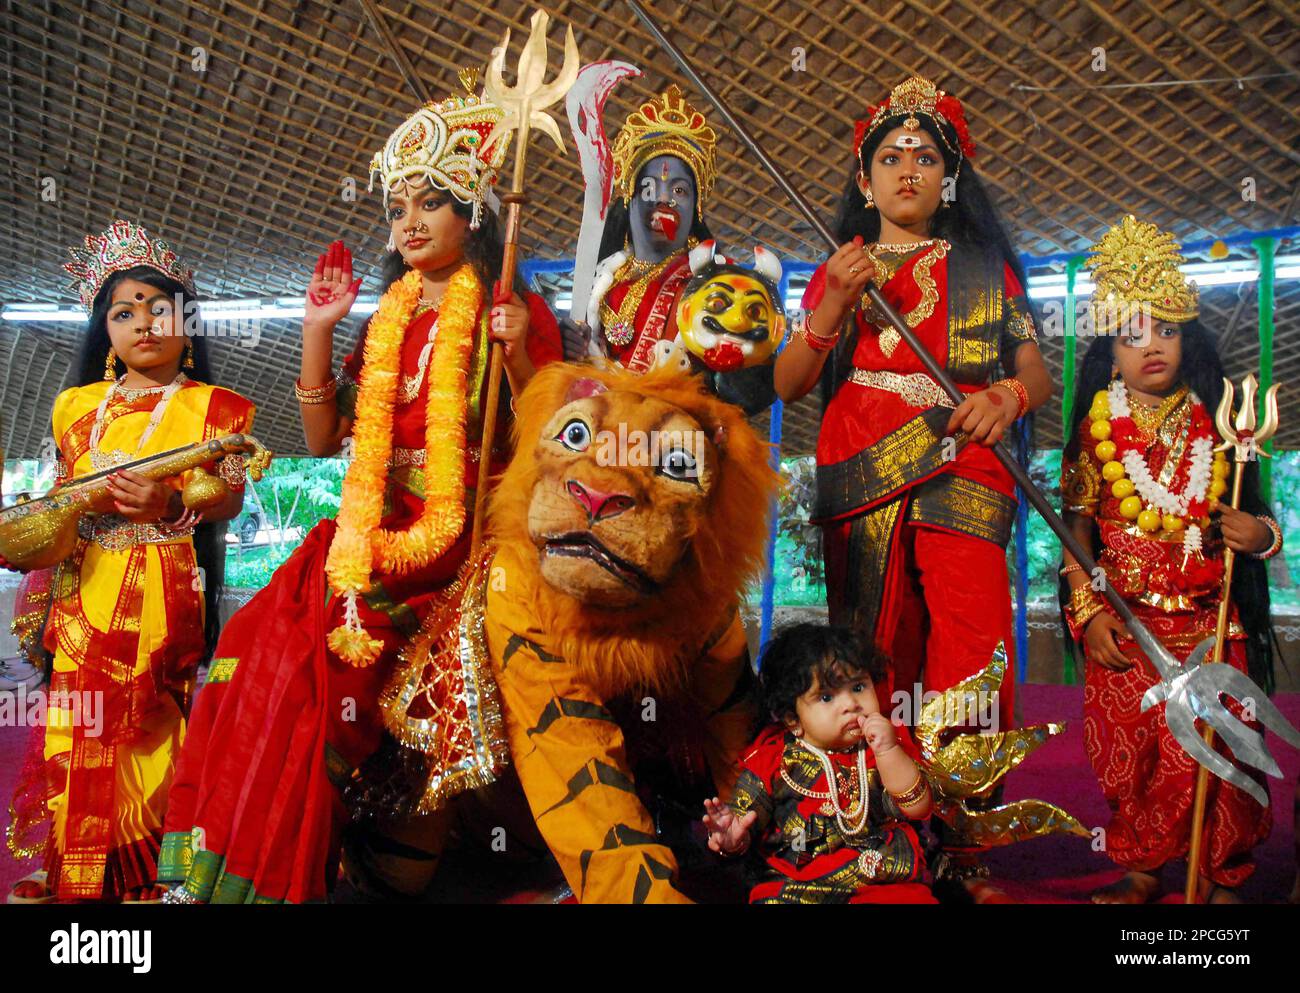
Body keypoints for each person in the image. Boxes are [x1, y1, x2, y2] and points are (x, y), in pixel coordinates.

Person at [156, 83, 562, 904]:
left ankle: (279, 870)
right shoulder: (389, 320)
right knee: (252, 648)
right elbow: (318, 442)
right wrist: (316, 328)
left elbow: (551, 438)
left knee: (322, 676)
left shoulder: (516, 311)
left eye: (432, 203)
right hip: (365, 527)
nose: (409, 222)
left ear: (475, 212)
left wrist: (518, 357)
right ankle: (222, 869)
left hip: (458, 535)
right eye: (397, 207)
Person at [771, 76, 1052, 891]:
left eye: (925, 157)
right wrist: (830, 306)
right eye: (889, 158)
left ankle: (964, 844)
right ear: (865, 181)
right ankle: (883, 836)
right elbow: (789, 382)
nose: (907, 171)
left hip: (964, 459)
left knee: (973, 651)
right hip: (862, 467)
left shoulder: (986, 269)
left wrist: (1005, 395)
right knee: (875, 653)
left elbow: (1032, 371)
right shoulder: (840, 270)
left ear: (948, 176)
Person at [4, 221, 254, 902]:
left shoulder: (217, 408)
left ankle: (150, 883)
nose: (142, 321)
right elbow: (59, 498)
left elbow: (228, 493)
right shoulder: (75, 408)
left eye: (157, 305)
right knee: (80, 727)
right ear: (104, 333)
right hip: (85, 587)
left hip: (163, 593)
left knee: (150, 735)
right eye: (123, 310)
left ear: (185, 319)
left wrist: (166, 498)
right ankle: (75, 879)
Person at [1060, 215, 1280, 905]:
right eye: (1131, 335)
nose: (1150, 345)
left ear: (1190, 337)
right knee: (1132, 758)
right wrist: (1087, 609)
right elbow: (1074, 528)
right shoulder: (1097, 429)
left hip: (1211, 623)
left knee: (1221, 747)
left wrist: (1260, 536)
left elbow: (1264, 521)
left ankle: (1220, 874)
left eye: (1166, 328)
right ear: (1110, 353)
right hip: (1126, 624)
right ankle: (1142, 871)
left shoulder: (1220, 424)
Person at [702, 623, 936, 903]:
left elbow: (919, 807)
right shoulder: (774, 757)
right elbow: (746, 815)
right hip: (799, 881)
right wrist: (732, 838)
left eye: (859, 686)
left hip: (880, 875)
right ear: (793, 720)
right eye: (826, 697)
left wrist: (887, 751)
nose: (851, 703)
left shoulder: (884, 743)